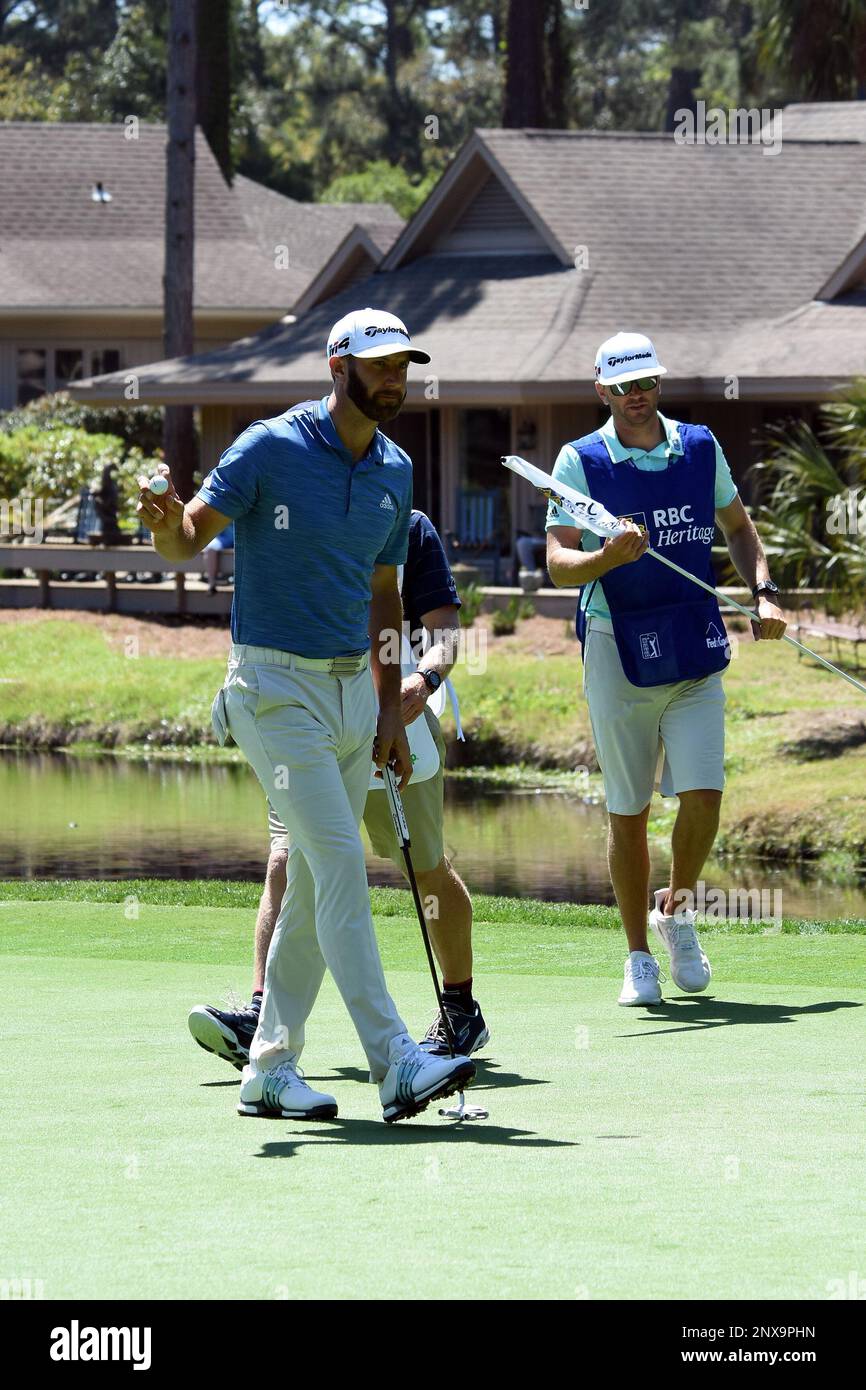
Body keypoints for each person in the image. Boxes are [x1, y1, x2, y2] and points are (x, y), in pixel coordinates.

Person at [137, 306, 475, 1123]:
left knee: (317, 884)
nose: (395, 378)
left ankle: (269, 1068)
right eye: (380, 365)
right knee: (338, 861)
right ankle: (394, 1060)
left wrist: (393, 715)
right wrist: (162, 524)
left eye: (403, 366)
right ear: (338, 366)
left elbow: (386, 596)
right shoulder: (268, 448)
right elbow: (189, 541)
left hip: (355, 693)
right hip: (272, 687)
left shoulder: (395, 470)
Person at [188, 508, 490, 1067]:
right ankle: (263, 1014)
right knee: (287, 859)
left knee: (425, 867)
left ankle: (460, 1010)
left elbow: (445, 631)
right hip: (314, 720)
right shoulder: (302, 521)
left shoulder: (410, 526)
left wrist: (423, 680)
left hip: (394, 718)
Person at [545, 331, 787, 1006]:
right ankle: (636, 957)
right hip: (615, 643)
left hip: (694, 642)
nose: (636, 396)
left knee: (704, 796)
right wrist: (606, 558)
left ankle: (676, 909)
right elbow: (559, 558)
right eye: (621, 387)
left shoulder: (701, 446)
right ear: (602, 391)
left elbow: (738, 527)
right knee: (627, 811)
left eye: (645, 383)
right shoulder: (580, 460)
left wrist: (763, 591)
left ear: (659, 382)